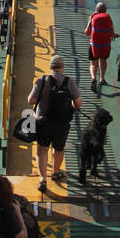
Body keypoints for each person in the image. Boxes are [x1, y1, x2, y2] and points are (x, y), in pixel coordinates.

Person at [28, 54, 82, 191]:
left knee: (42, 149)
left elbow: (31, 100)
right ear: (62, 67)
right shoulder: (69, 82)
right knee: (59, 148)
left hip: (43, 121)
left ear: (51, 66)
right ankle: (56, 172)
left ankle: (42, 179)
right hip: (62, 123)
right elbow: (78, 103)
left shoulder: (42, 80)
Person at [86, 2, 118, 93]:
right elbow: (112, 33)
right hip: (105, 46)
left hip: (94, 46)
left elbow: (87, 32)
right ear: (105, 10)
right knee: (103, 61)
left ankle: (93, 78)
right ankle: (102, 79)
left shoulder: (92, 18)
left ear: (96, 10)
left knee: (93, 64)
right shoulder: (108, 19)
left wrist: (90, 20)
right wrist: (116, 35)